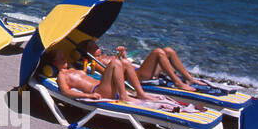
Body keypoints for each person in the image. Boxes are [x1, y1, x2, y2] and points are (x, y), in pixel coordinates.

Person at [79, 38, 210, 92]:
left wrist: (122, 55)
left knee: (168, 50)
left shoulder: (104, 57)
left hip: (137, 71)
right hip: (136, 76)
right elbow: (111, 73)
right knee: (158, 52)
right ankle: (178, 82)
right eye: (93, 46)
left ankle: (190, 78)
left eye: (95, 44)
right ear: (88, 52)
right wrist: (118, 60)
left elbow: (122, 64)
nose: (97, 47)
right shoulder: (94, 63)